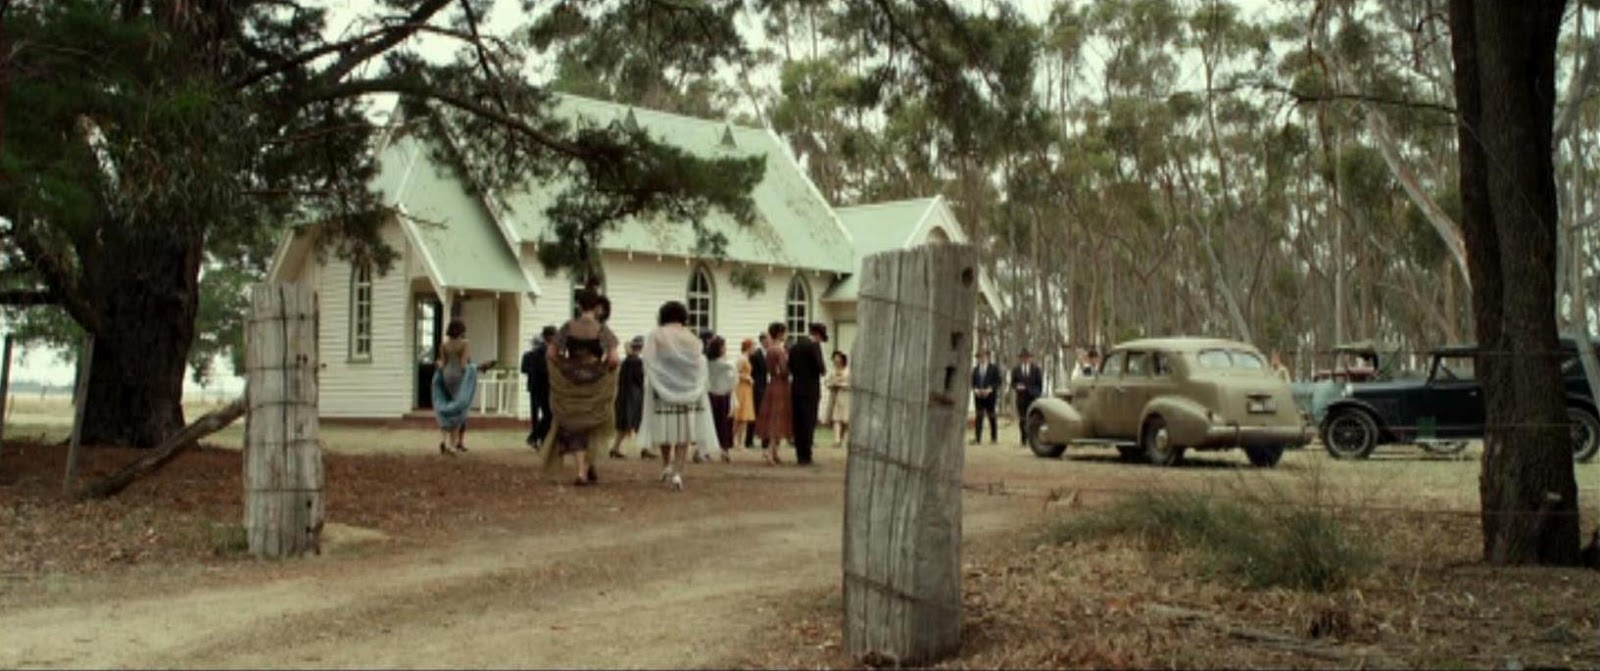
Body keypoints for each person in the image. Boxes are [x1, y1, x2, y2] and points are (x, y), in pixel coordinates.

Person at [638, 301, 720, 491]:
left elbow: (649, 360)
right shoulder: (691, 338)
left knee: (665, 428)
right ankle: (678, 472)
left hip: (662, 388)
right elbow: (698, 363)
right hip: (687, 391)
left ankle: (666, 465)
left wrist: (658, 378)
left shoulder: (656, 335)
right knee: (684, 432)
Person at [542, 288, 619, 486]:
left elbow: (551, 353)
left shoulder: (568, 327)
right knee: (592, 422)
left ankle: (580, 471)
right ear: (597, 307)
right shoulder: (602, 330)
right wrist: (603, 368)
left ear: (578, 305)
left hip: (571, 379)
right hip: (595, 378)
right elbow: (613, 358)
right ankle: (587, 467)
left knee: (574, 423)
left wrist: (564, 364)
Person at [788, 322, 828, 466]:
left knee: (798, 422)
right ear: (818, 335)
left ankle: (799, 454)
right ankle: (807, 454)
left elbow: (790, 366)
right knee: (809, 422)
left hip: (796, 387)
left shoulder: (794, 347)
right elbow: (821, 367)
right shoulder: (814, 347)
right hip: (810, 389)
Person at [433, 319, 473, 455]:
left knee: (446, 405)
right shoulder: (464, 344)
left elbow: (443, 363)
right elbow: (463, 365)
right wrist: (473, 368)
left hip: (446, 375)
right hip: (458, 377)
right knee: (457, 409)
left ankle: (443, 440)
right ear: (461, 330)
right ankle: (452, 445)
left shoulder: (444, 344)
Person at [755, 323, 793, 464]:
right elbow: (783, 370)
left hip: (772, 384)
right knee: (777, 419)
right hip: (781, 385)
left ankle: (774, 452)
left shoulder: (770, 350)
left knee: (774, 417)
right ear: (779, 334)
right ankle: (771, 452)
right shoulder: (779, 350)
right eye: (784, 332)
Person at [521, 326, 557, 449]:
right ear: (549, 337)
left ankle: (541, 438)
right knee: (548, 414)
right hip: (541, 387)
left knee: (548, 414)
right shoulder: (542, 351)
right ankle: (534, 437)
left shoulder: (548, 350)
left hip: (544, 387)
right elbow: (542, 370)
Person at [611, 336, 646, 459]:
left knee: (624, 425)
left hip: (624, 394)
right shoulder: (637, 362)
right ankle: (645, 448)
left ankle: (615, 448)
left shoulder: (626, 361)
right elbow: (640, 379)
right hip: (634, 395)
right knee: (639, 422)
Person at [706, 336, 739, 462]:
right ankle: (724, 450)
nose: (726, 348)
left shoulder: (708, 363)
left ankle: (706, 450)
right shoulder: (727, 364)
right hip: (723, 395)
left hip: (711, 395)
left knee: (711, 423)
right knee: (724, 424)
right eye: (724, 346)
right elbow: (733, 380)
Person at [1011, 349, 1044, 443]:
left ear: (1030, 358)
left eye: (1027, 357)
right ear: (1020, 359)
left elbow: (1039, 384)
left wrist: (1034, 393)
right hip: (1021, 398)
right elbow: (1013, 384)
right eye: (1023, 357)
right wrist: (1018, 386)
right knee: (1022, 419)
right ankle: (1023, 438)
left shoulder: (1036, 369)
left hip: (1032, 398)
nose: (1025, 359)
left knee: (1032, 419)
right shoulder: (1016, 370)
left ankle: (1032, 438)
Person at [971, 349, 1002, 445]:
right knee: (979, 417)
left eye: (984, 356)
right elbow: (972, 383)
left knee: (992, 416)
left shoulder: (994, 369)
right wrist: (976, 390)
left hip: (990, 397)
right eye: (980, 357)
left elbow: (998, 382)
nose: (982, 358)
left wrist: (989, 389)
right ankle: (977, 438)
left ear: (988, 357)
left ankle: (994, 437)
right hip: (979, 397)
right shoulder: (975, 369)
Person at [745, 332, 769, 450]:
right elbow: (751, 372)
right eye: (767, 339)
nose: (769, 341)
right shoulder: (756, 355)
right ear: (763, 341)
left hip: (768, 387)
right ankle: (748, 440)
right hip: (758, 388)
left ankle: (766, 441)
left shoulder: (771, 352)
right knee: (755, 414)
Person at [824, 351, 852, 449]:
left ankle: (845, 440)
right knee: (836, 418)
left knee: (846, 419)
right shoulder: (832, 371)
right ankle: (837, 440)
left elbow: (851, 384)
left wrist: (840, 384)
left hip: (846, 396)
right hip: (835, 396)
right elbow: (827, 382)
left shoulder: (848, 371)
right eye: (834, 358)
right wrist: (831, 384)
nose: (836, 360)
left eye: (838, 358)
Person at [734, 338, 759, 448]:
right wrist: (747, 378)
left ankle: (741, 442)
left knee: (745, 417)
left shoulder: (747, 358)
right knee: (739, 416)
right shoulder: (742, 358)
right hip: (741, 388)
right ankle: (734, 440)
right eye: (753, 347)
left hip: (747, 389)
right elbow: (736, 373)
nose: (754, 349)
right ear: (748, 347)